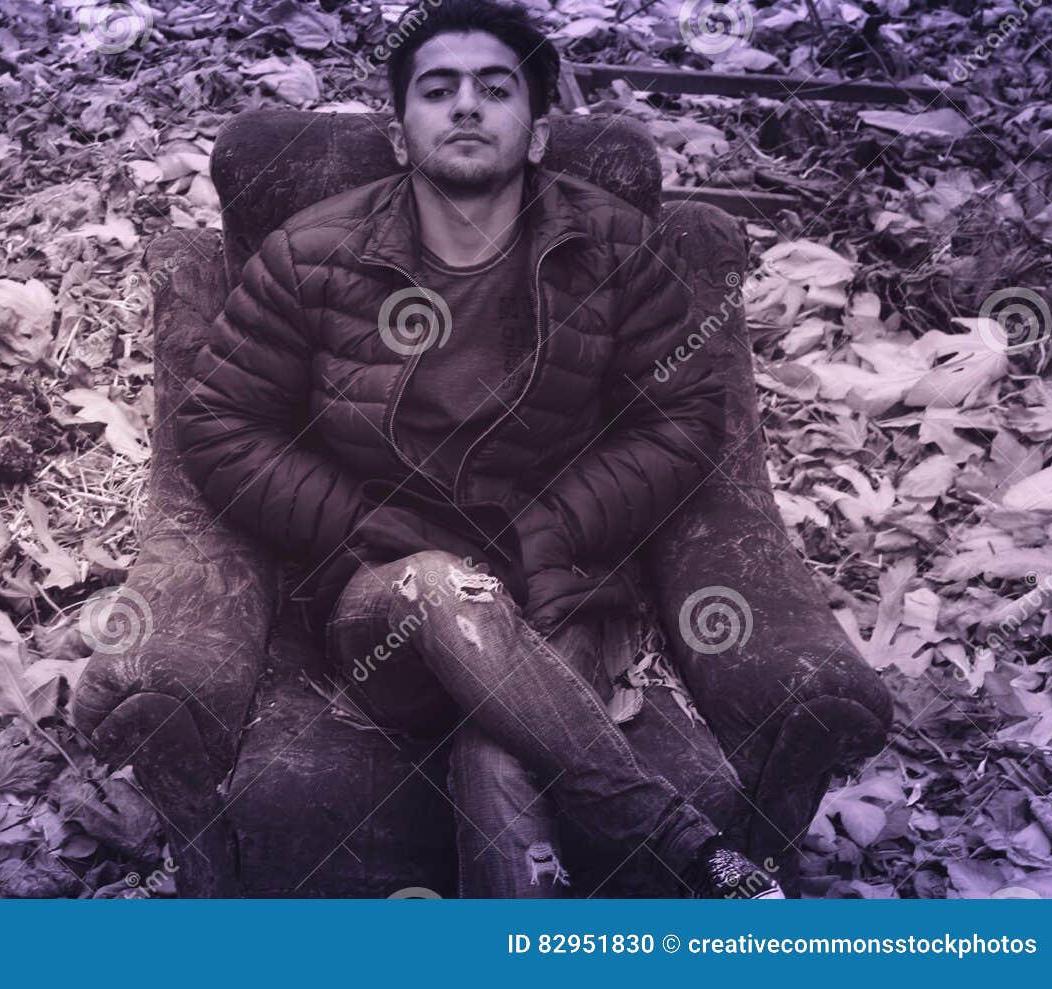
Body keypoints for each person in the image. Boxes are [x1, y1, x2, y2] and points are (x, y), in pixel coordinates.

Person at [175, 0, 779, 899]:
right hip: (386, 606)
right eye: (438, 89)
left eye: (496, 89)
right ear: (399, 132)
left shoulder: (614, 246)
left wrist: (555, 529)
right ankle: (679, 838)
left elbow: (683, 416)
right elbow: (220, 422)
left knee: (503, 749)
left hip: (557, 590)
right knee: (437, 584)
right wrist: (367, 522)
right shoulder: (311, 256)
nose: (466, 105)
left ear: (538, 133)